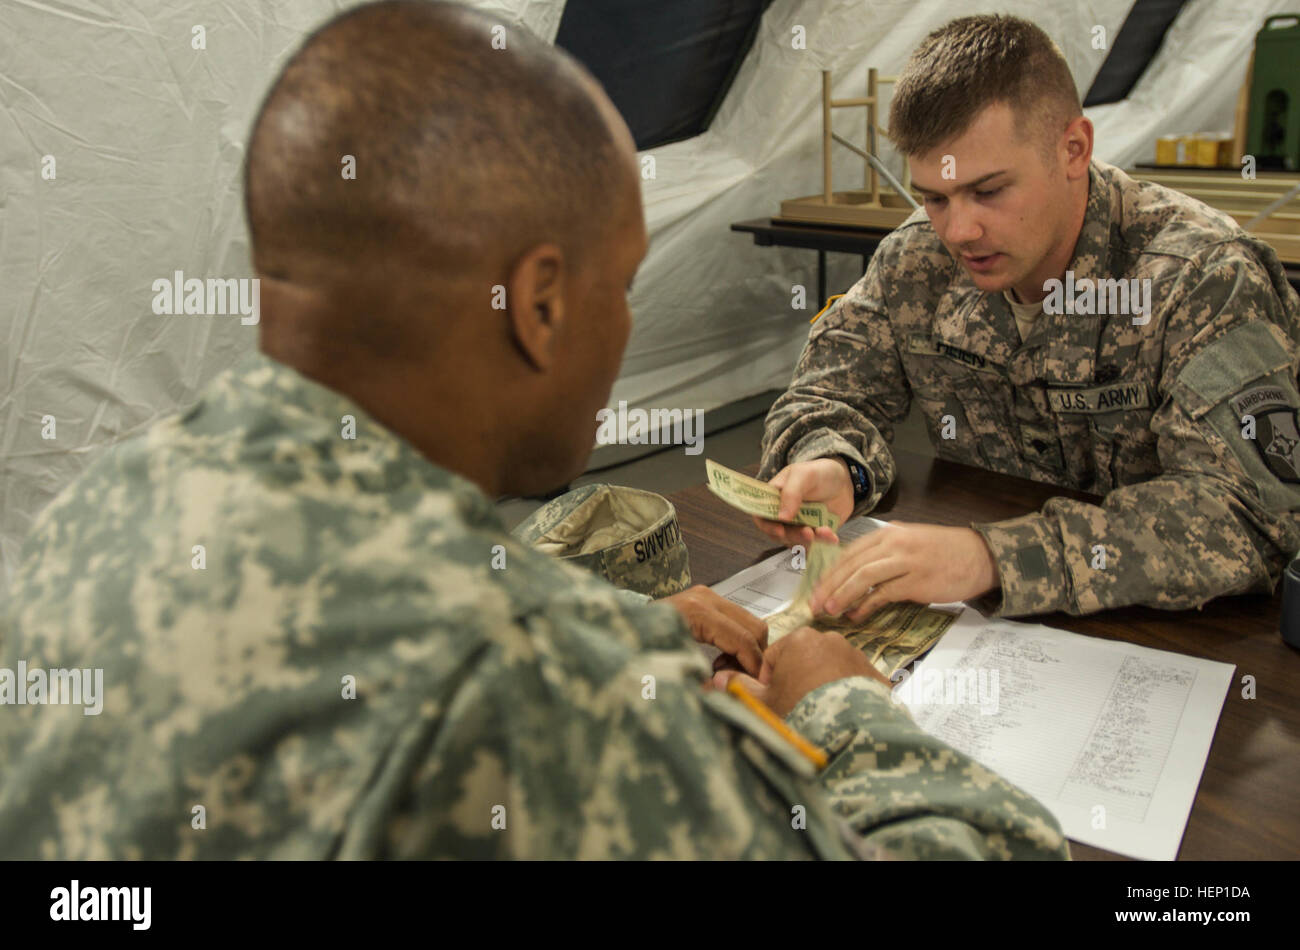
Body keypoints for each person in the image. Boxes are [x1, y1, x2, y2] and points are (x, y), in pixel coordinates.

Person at [0, 1, 1067, 860]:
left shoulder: (106, 505)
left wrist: (611, 619)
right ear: (541, 303)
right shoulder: (541, 688)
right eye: (623, 285)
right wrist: (843, 708)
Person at [758, 14, 1300, 621]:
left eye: (988, 191)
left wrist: (995, 558)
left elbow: (1251, 515)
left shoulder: (1201, 277)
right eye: (934, 197)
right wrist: (836, 465)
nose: (959, 231)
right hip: (987, 636)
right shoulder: (916, 262)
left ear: (1073, 150)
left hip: (1175, 632)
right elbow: (827, 395)